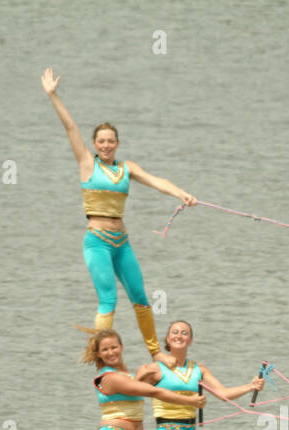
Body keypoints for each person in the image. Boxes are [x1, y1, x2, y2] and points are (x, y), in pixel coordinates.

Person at [42, 67, 195, 363]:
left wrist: (181, 194)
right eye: (101, 141)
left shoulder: (128, 168)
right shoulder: (87, 163)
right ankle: (101, 357)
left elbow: (156, 181)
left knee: (140, 296)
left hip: (121, 242)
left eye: (111, 140)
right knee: (108, 299)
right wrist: (53, 95)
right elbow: (71, 128)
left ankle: (155, 353)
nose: (106, 145)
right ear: (95, 145)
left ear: (118, 143)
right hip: (97, 242)